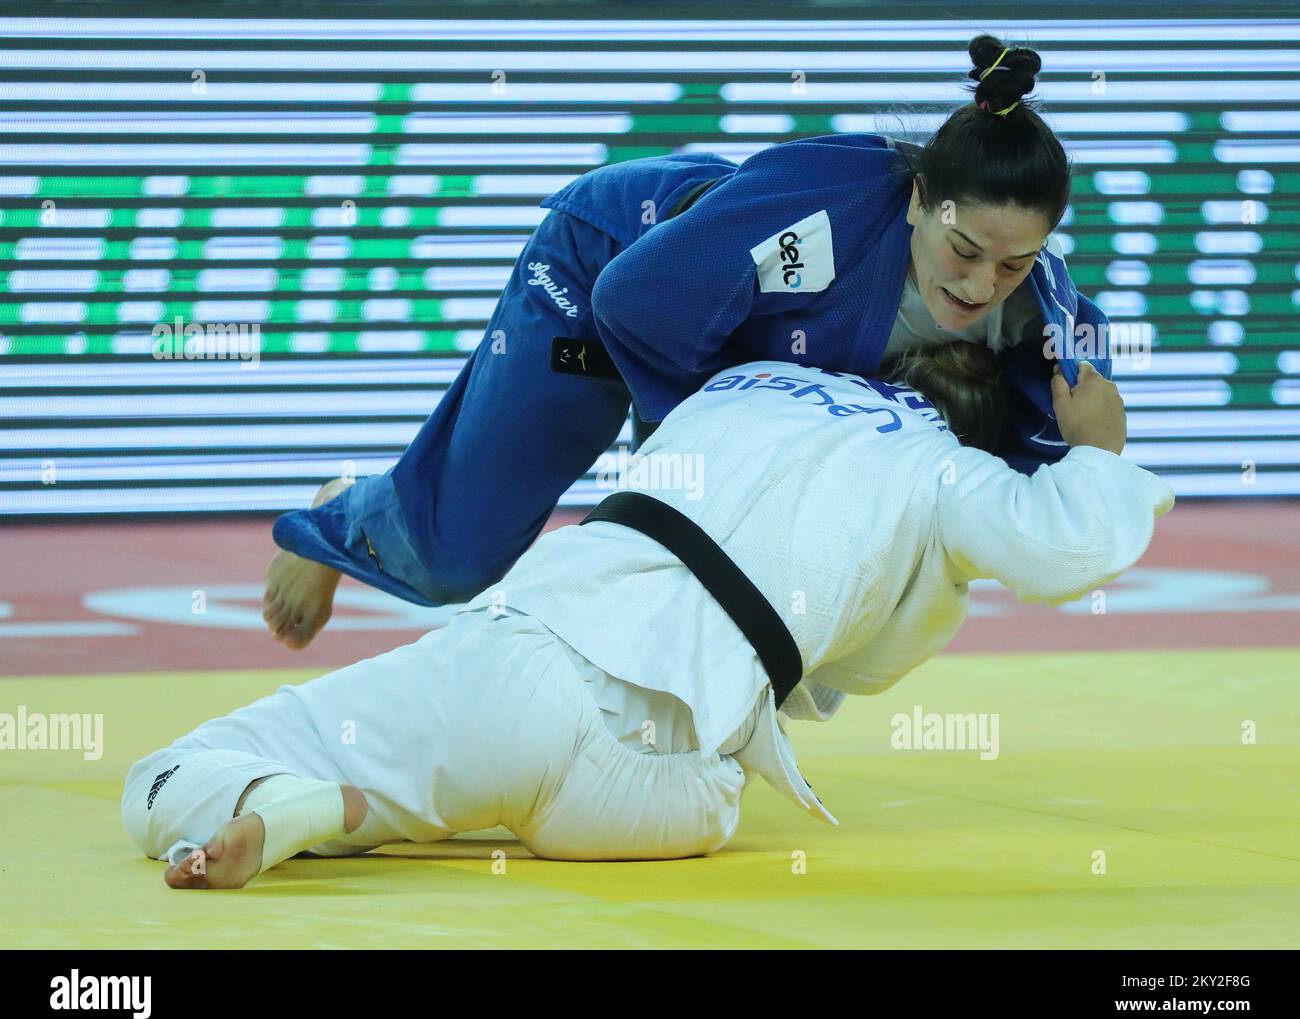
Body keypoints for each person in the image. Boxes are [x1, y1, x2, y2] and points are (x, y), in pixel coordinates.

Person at [123, 340, 1173, 889]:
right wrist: (1100, 449)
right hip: (660, 771)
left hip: (523, 657)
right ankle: (398, 809)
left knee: (164, 780)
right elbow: (1066, 548)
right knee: (723, 787)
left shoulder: (749, 381)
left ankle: (329, 810)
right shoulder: (953, 480)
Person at [262, 34, 1108, 649]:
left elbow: (1075, 447)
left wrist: (1094, 445)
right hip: (601, 280)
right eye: (964, 251)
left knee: (724, 573)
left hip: (726, 347)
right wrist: (700, 448)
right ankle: (348, 511)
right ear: (921, 199)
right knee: (453, 562)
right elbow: (634, 301)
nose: (979, 284)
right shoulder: (823, 209)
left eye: (1013, 262)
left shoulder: (1035, 306)